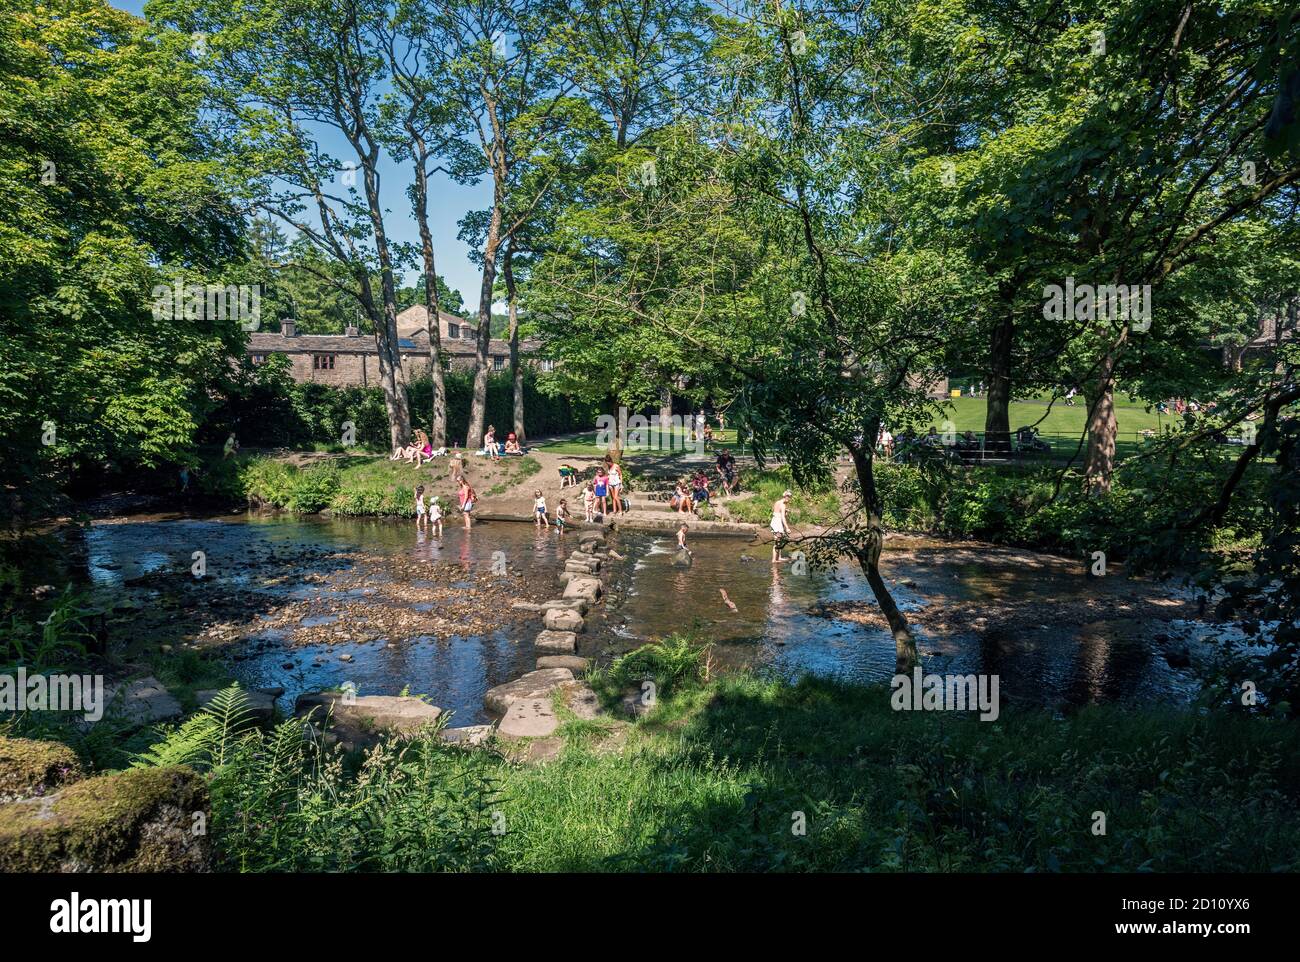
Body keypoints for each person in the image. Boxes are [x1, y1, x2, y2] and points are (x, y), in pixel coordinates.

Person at [770, 489, 791, 564]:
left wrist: (785, 511)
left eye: (790, 497)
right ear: (785, 496)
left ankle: (779, 557)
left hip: (774, 521)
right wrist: (787, 528)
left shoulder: (777, 502)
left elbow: (775, 510)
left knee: (779, 540)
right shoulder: (783, 505)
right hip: (777, 523)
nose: (789, 498)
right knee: (777, 541)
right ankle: (774, 560)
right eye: (788, 496)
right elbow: (782, 517)